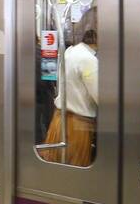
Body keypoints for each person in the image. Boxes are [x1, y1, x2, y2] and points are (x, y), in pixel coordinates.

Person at [40, 12, 98, 167]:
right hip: (78, 127)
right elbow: (101, 97)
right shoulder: (88, 60)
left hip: (60, 120)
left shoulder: (71, 51)